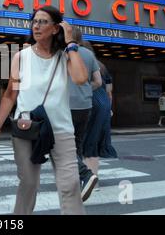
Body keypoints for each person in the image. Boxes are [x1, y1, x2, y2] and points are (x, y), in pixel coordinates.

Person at [0, 5, 88, 215]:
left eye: (43, 22)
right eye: (35, 22)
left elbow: (80, 78)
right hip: (27, 128)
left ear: (56, 28)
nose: (37, 26)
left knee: (71, 186)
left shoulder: (66, 56)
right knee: (28, 184)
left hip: (61, 129)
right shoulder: (21, 57)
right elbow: (10, 95)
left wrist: (71, 44)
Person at [68, 28, 102, 202]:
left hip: (66, 105)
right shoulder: (89, 54)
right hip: (85, 106)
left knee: (62, 146)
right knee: (77, 145)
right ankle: (80, 182)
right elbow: (98, 81)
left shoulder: (63, 53)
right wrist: (87, 89)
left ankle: (85, 175)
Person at [82, 61, 117, 189]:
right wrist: (109, 108)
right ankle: (93, 180)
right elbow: (109, 92)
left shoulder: (78, 63)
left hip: (86, 106)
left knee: (79, 144)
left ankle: (84, 179)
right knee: (93, 144)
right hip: (103, 107)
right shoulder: (102, 67)